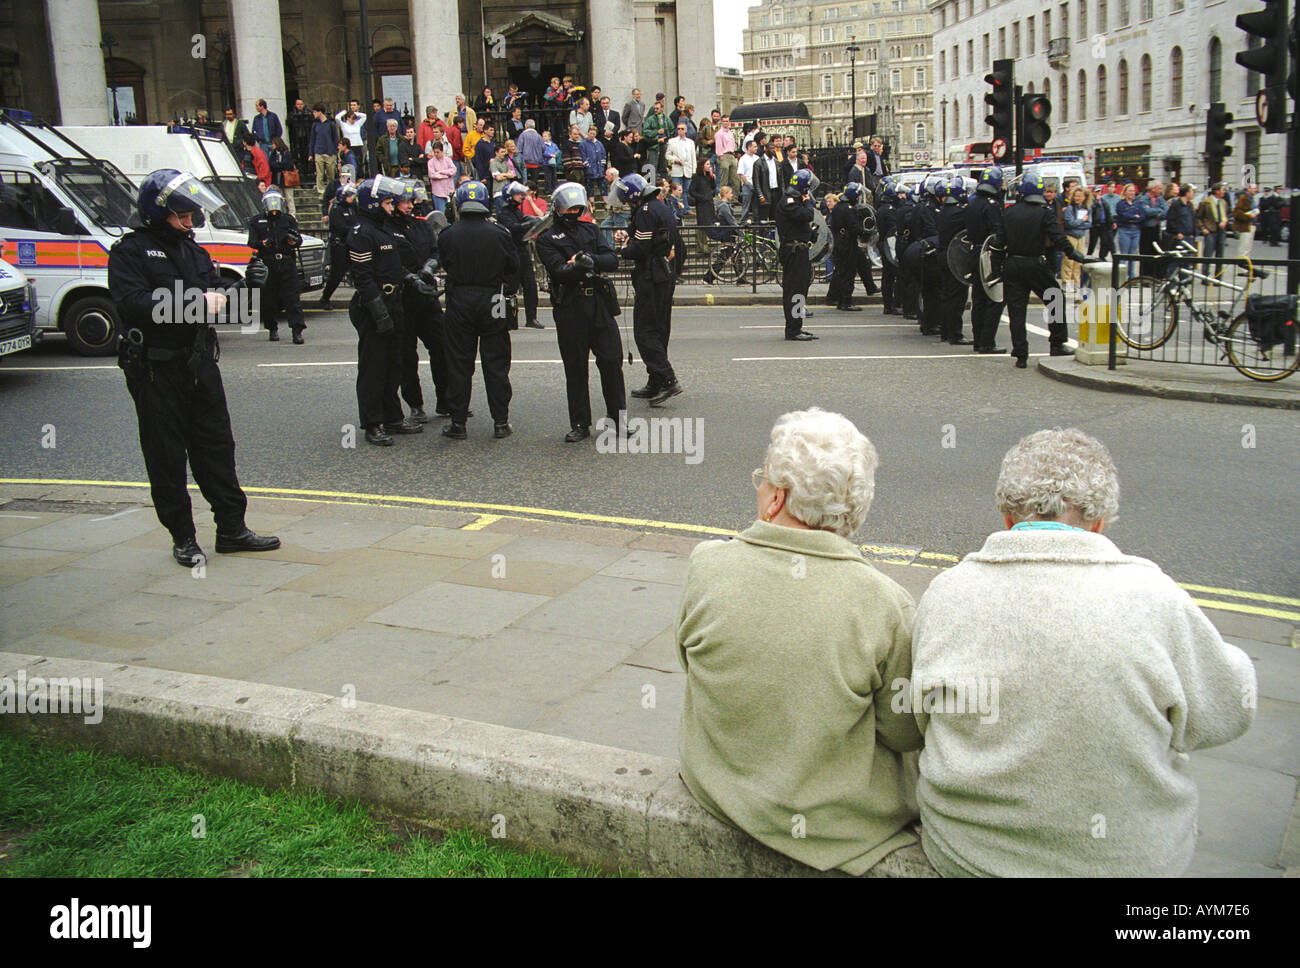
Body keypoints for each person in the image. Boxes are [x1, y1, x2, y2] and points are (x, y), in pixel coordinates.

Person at [912, 428, 1256, 877]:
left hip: (967, 854)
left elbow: (921, 719)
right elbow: (1226, 711)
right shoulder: (1154, 598)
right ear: (1099, 522)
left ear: (1006, 515)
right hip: (1124, 862)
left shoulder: (947, 592)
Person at [677, 407, 923, 875]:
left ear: (777, 499)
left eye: (762, 479)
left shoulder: (707, 565)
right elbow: (903, 731)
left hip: (718, 790)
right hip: (836, 828)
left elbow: (691, 666)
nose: (759, 488)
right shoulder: (884, 604)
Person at [107, 169, 279, 566]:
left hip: (200, 364)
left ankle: (232, 529)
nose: (189, 223)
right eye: (181, 216)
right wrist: (195, 303)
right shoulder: (130, 252)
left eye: (192, 216)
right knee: (166, 454)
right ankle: (183, 537)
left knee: (217, 447)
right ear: (157, 211)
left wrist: (247, 288)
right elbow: (133, 304)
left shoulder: (194, 251)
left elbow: (226, 308)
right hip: (156, 369)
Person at [533, 182, 627, 443]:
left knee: (611, 361)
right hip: (571, 307)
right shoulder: (547, 238)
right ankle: (580, 422)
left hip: (598, 303)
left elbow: (612, 261)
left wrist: (587, 260)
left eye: (578, 207)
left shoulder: (591, 230)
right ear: (559, 209)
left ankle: (618, 420)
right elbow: (558, 271)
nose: (574, 212)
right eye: (569, 208)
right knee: (575, 368)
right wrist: (579, 265)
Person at [437, 180, 519, 440]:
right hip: (493, 297)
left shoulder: (448, 234)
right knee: (496, 362)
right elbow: (513, 268)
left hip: (460, 299)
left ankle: (458, 423)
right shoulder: (500, 233)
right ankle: (501, 422)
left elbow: (445, 262)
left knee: (459, 363)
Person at [348, 175, 423, 446]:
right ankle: (372, 422)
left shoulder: (382, 228)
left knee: (395, 363)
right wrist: (378, 312)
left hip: (395, 302)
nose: (392, 208)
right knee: (373, 367)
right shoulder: (361, 232)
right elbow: (363, 277)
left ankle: (392, 415)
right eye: (389, 203)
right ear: (373, 204)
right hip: (374, 306)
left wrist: (412, 278)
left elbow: (393, 266)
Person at [996, 172, 1098, 368]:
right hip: (1035, 264)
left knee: (1017, 312)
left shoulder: (1009, 212)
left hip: (1012, 264)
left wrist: (998, 268)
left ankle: (1020, 353)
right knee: (1055, 299)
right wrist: (1078, 256)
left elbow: (999, 241)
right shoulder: (1044, 212)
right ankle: (1057, 343)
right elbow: (1059, 239)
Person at [616, 173, 681, 404]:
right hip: (664, 273)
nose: (627, 204)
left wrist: (622, 250)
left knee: (645, 331)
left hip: (651, 276)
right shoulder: (660, 206)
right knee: (660, 329)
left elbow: (641, 247)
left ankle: (667, 378)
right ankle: (655, 381)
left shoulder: (645, 211)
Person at [391, 183, 445, 423]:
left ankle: (447, 401)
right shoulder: (387, 229)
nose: (410, 205)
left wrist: (429, 267)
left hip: (427, 297)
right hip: (403, 299)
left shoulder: (421, 225)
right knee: (406, 355)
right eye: (405, 202)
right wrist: (410, 278)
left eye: (411, 201)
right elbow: (388, 263)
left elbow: (436, 251)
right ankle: (415, 405)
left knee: (442, 348)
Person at [247, 189, 305, 343]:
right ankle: (272, 328)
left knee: (292, 298)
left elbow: (299, 240)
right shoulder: (256, 221)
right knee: (268, 298)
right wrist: (262, 243)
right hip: (268, 262)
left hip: (286, 261)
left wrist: (294, 241)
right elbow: (251, 242)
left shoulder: (288, 220)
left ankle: (297, 330)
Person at [964, 167, 1006, 353]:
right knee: (994, 299)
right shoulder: (992, 204)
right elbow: (998, 232)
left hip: (973, 252)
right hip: (988, 255)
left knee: (978, 299)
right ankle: (987, 341)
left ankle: (978, 339)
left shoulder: (972, 202)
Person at [775, 169, 818, 341]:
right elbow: (807, 215)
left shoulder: (794, 200)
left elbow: (800, 226)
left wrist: (810, 235)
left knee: (801, 290)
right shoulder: (789, 202)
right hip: (794, 252)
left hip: (799, 250)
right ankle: (793, 329)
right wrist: (808, 203)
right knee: (795, 292)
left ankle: (798, 326)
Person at [826, 181, 880, 313]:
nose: (859, 198)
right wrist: (866, 231)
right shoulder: (848, 209)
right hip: (846, 244)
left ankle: (840, 297)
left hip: (840, 243)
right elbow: (854, 228)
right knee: (848, 273)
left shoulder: (839, 206)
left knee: (852, 267)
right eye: (858, 196)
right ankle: (845, 301)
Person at [498, 181, 544, 330]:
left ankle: (532, 318)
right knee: (511, 288)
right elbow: (512, 227)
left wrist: (532, 220)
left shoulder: (517, 211)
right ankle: (510, 319)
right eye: (518, 194)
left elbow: (522, 219)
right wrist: (527, 224)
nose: (522, 197)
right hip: (511, 252)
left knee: (530, 286)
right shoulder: (504, 213)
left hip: (522, 251)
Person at [934, 176, 971, 344]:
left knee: (946, 295)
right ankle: (955, 334)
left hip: (942, 255)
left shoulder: (943, 210)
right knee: (957, 297)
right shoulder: (961, 212)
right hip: (955, 257)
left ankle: (945, 331)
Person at [318, 183, 359, 309]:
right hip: (339, 245)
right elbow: (340, 227)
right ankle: (325, 298)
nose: (352, 198)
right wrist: (355, 230)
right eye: (349, 195)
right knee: (337, 274)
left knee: (359, 271)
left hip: (351, 243)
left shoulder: (352, 207)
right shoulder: (336, 209)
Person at [1060, 185, 1092, 292]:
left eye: (1080, 196)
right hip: (1071, 236)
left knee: (1078, 261)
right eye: (1076, 196)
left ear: (1084, 197)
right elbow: (1069, 223)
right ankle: (1066, 283)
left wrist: (1079, 223)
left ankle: (1076, 283)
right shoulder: (1069, 209)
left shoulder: (1087, 208)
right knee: (1068, 260)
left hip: (1081, 237)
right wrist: (1082, 221)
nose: (1077, 198)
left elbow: (1089, 224)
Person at [1195, 182, 1231, 277]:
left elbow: (1227, 215)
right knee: (1208, 255)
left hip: (1221, 231)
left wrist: (1225, 221)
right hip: (1210, 231)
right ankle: (1205, 276)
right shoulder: (1205, 203)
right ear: (1216, 191)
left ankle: (1218, 277)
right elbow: (1198, 218)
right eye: (1222, 189)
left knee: (1220, 256)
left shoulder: (1224, 202)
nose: (1224, 192)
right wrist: (1203, 229)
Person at [308, 104, 340, 201]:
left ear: (319, 112)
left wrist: (335, 152)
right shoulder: (315, 125)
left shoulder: (331, 124)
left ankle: (331, 192)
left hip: (330, 152)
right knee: (320, 174)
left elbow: (335, 139)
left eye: (314, 112)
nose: (313, 114)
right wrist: (310, 153)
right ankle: (321, 192)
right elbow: (312, 139)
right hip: (318, 151)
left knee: (331, 174)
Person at [665, 122, 697, 215]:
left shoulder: (690, 142)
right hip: (677, 168)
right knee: (675, 190)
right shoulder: (672, 141)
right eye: (678, 129)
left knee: (686, 190)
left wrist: (693, 171)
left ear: (686, 130)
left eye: (682, 129)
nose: (680, 130)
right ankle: (677, 209)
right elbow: (667, 155)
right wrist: (674, 160)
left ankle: (686, 208)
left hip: (687, 168)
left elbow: (693, 157)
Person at [1114, 183, 1143, 280]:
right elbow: (1123, 216)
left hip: (1136, 230)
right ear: (1125, 192)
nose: (1131, 193)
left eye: (1133, 191)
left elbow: (1142, 216)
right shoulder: (1120, 204)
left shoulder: (1137, 204)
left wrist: (1132, 218)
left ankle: (1132, 277)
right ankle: (1121, 277)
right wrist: (1134, 216)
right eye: (1129, 190)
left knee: (1133, 255)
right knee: (1124, 255)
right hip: (1124, 230)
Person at [688, 159, 716, 253]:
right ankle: (702, 246)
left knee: (708, 223)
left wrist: (712, 175)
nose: (709, 166)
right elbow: (692, 190)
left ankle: (705, 245)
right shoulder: (696, 177)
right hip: (701, 203)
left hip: (709, 202)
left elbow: (713, 187)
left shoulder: (709, 176)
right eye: (707, 164)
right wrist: (701, 197)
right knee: (702, 224)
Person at [286, 98, 313, 183]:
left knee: (306, 156)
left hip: (306, 138)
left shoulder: (308, 113)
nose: (300, 106)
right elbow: (289, 122)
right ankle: (301, 174)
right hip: (296, 139)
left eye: (301, 104)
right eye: (298, 104)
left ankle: (309, 174)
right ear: (295, 105)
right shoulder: (292, 114)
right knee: (298, 157)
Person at [1233, 182, 1259, 259]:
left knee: (1248, 249)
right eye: (1254, 188)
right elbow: (1237, 213)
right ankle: (1241, 269)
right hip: (1245, 226)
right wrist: (1249, 216)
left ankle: (1246, 268)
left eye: (1256, 188)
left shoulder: (1251, 198)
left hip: (1252, 225)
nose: (1256, 190)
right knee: (1243, 248)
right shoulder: (1243, 198)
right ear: (1248, 189)